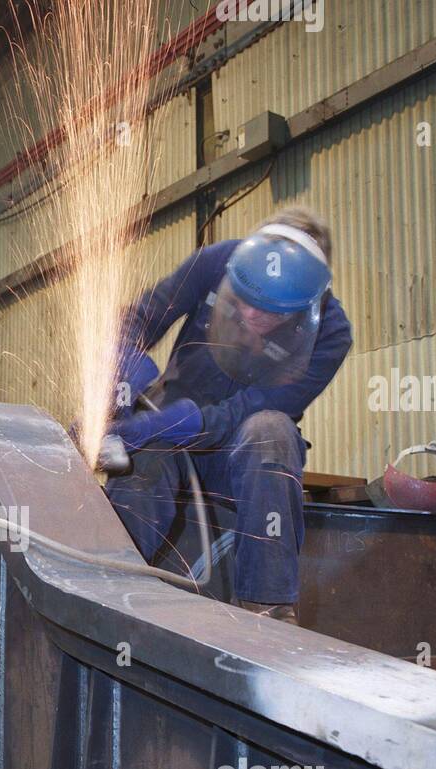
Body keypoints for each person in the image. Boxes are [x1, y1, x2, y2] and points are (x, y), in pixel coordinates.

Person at [102, 206, 353, 622]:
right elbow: (138, 320)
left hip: (237, 458)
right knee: (146, 460)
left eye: (271, 311)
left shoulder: (331, 333)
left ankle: (265, 609)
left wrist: (180, 423)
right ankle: (108, 593)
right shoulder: (215, 261)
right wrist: (124, 372)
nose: (253, 316)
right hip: (165, 439)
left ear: (307, 300)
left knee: (272, 432)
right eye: (246, 300)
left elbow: (254, 407)